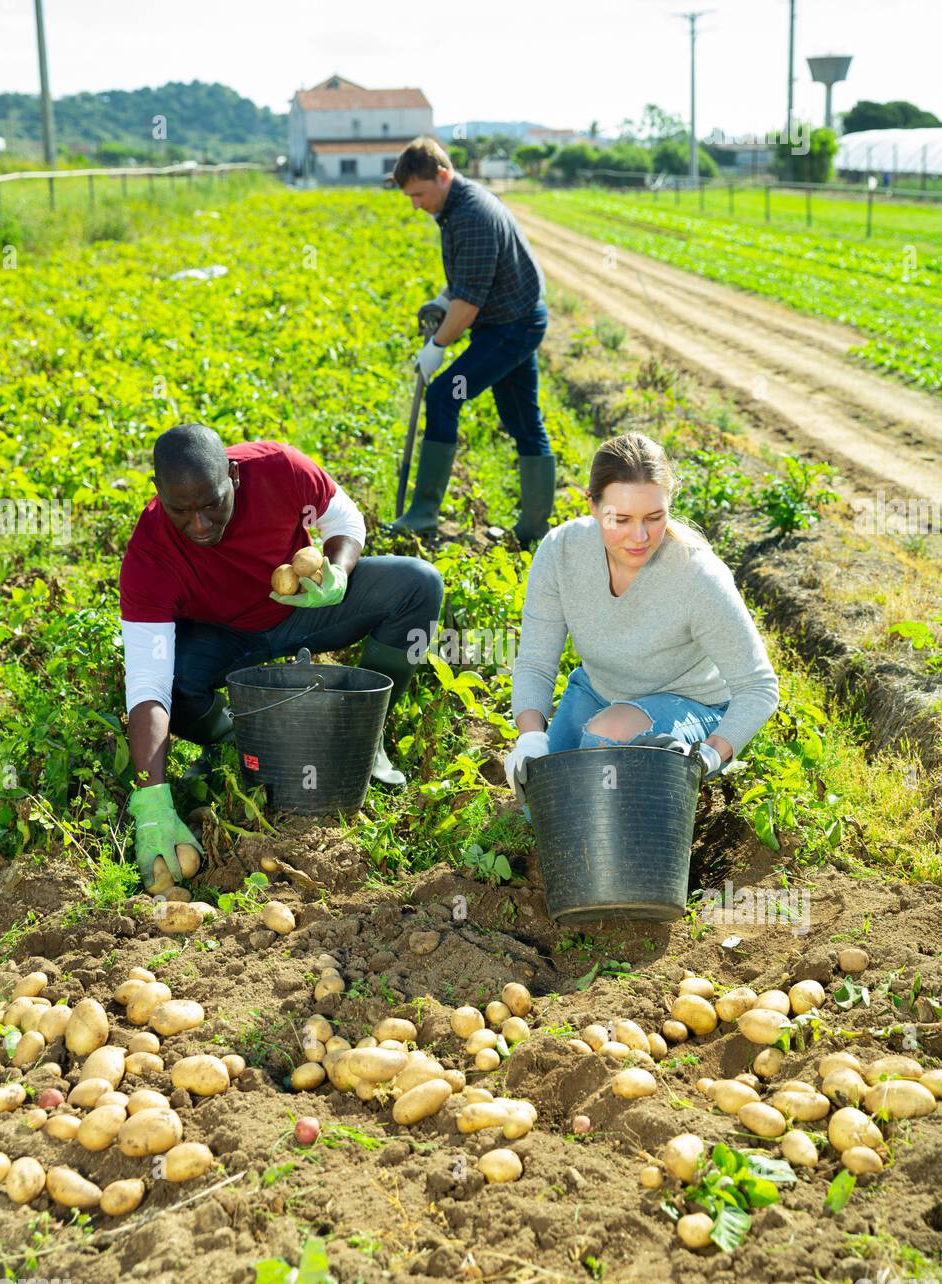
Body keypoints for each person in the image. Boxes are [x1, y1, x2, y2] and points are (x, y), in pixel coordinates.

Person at [119, 424, 443, 892]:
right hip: (222, 639)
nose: (201, 525)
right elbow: (147, 687)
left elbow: (345, 521)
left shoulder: (277, 468)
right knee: (174, 685)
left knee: (418, 584)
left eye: (212, 504)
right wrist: (150, 799)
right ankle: (245, 744)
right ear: (158, 492)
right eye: (181, 511)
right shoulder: (149, 554)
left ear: (231, 475)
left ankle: (365, 736)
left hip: (301, 609)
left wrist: (337, 573)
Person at [504, 432, 779, 795]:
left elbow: (758, 687)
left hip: (690, 703)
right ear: (592, 504)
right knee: (544, 797)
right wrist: (530, 740)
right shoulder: (562, 552)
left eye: (654, 517)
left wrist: (710, 756)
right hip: (600, 690)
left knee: (606, 754)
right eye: (620, 519)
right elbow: (537, 662)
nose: (640, 537)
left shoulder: (697, 576)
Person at [390, 136, 556, 545]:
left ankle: (423, 513)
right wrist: (442, 299)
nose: (415, 204)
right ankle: (534, 528)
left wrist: (436, 349)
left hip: (512, 326)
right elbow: (466, 283)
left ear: (442, 176)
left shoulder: (471, 216)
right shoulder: (455, 207)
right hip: (511, 319)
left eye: (418, 193)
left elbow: (468, 306)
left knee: (445, 394)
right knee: (521, 417)